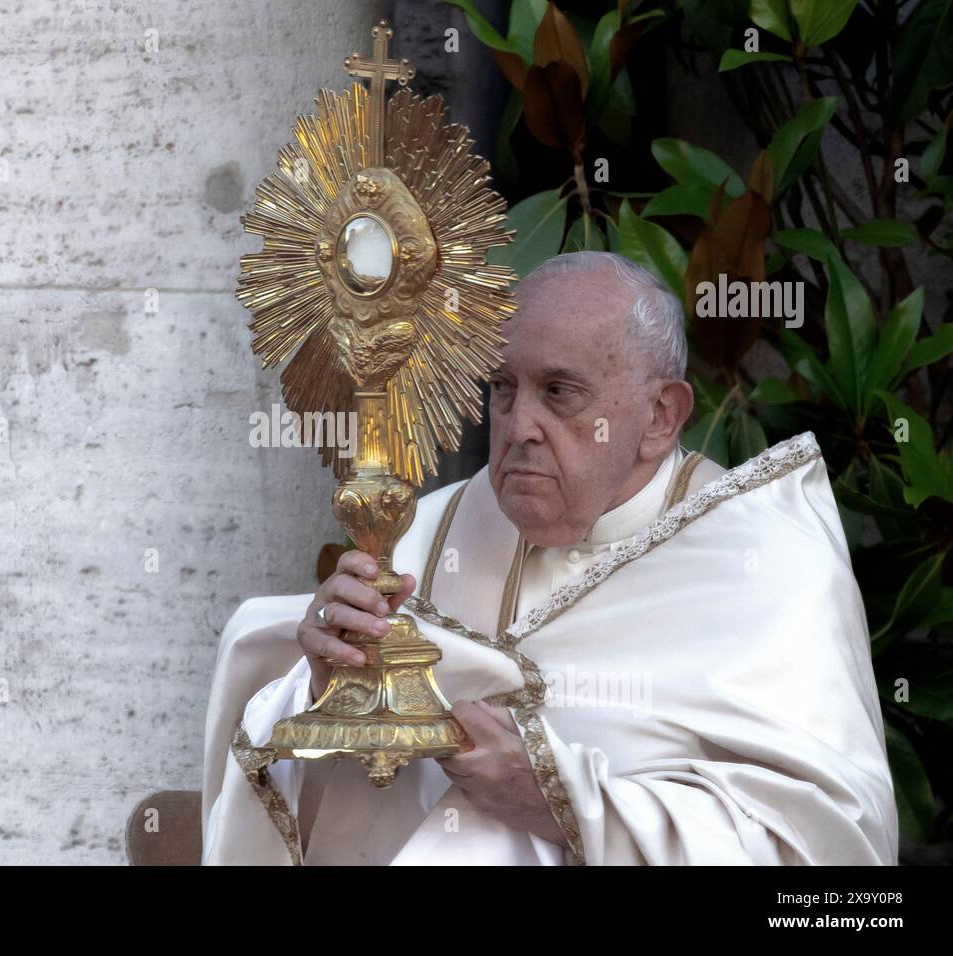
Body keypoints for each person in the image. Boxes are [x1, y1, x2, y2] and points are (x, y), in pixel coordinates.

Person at [201, 251, 899, 865]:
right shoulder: (430, 531)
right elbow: (350, 805)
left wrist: (562, 803)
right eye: (503, 389)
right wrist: (326, 683)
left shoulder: (767, 564)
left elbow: (832, 854)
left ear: (660, 417)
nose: (519, 426)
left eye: (559, 393)